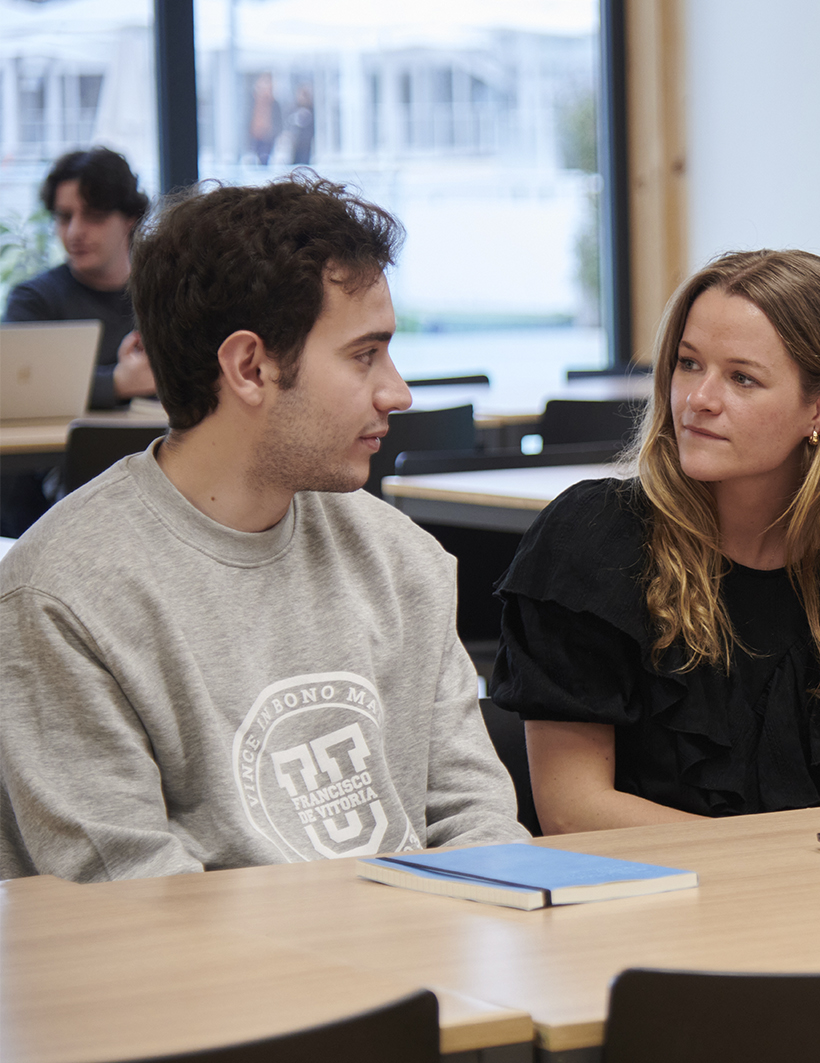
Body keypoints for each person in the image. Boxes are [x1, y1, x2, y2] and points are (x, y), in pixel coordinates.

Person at [0, 175, 528, 882]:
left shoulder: (403, 557)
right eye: (364, 354)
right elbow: (130, 895)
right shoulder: (61, 597)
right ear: (249, 367)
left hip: (425, 971)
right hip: (224, 987)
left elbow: (478, 817)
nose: (397, 392)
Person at [489, 249, 820, 832]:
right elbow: (573, 810)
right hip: (642, 904)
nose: (698, 399)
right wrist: (770, 869)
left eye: (741, 378)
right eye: (687, 363)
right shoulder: (592, 541)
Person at [3, 147, 156, 410]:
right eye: (64, 217)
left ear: (130, 220)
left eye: (94, 216)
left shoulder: (163, 296)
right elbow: (11, 387)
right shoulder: (34, 300)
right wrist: (117, 382)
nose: (75, 232)